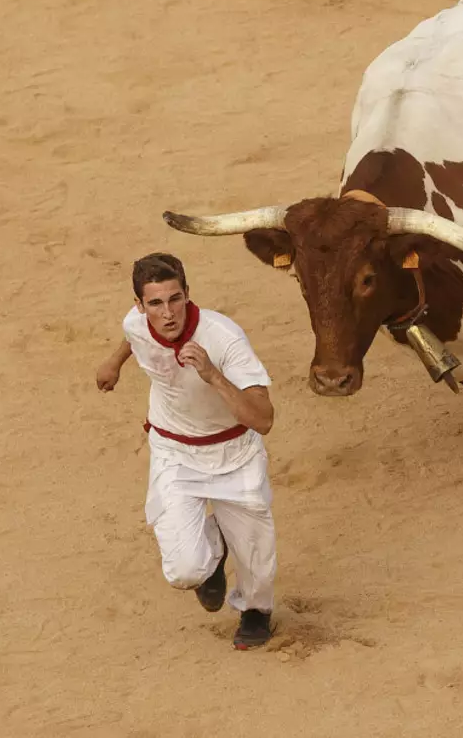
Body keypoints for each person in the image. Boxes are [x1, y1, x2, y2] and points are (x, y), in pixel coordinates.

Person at [96, 252, 278, 650]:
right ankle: (215, 551)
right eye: (155, 304)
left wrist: (213, 374)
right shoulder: (137, 324)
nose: (168, 313)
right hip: (175, 452)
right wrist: (114, 362)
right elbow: (133, 337)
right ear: (140, 306)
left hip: (236, 453)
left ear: (188, 295)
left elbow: (263, 419)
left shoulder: (224, 337)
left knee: (257, 565)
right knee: (184, 572)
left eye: (175, 299)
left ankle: (254, 612)